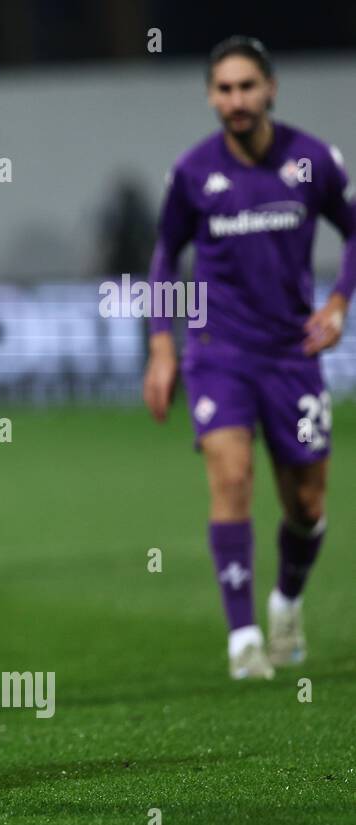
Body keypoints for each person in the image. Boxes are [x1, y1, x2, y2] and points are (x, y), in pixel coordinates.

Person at [142, 36, 354, 679]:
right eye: (224, 89)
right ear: (211, 95)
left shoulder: (313, 161)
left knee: (308, 505)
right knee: (231, 479)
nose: (235, 100)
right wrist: (161, 348)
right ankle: (243, 639)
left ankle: (285, 599)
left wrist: (341, 300)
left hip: (292, 355)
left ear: (270, 89)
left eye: (246, 87)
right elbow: (163, 257)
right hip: (218, 352)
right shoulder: (193, 171)